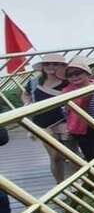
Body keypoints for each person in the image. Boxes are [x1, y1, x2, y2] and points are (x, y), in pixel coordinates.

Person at [21, 54, 77, 183]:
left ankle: (79, 183)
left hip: (65, 121)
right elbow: (25, 94)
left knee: (72, 153)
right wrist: (27, 103)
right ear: (42, 67)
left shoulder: (69, 81)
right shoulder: (34, 82)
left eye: (55, 64)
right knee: (55, 157)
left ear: (63, 66)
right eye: (47, 64)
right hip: (43, 124)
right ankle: (60, 184)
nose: (51, 67)